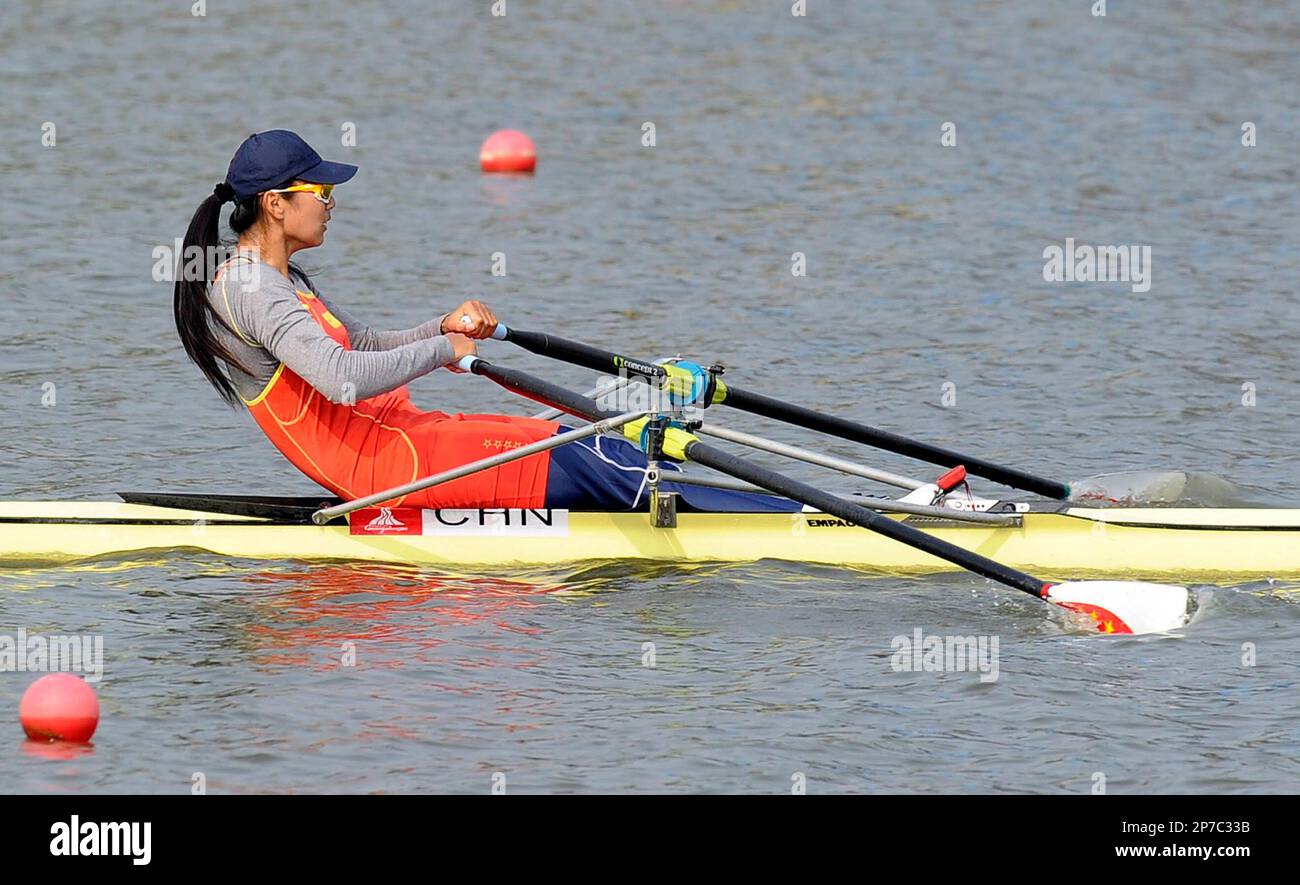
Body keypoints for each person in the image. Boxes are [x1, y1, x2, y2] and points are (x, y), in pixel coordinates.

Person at [173, 130, 795, 512]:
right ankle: (807, 518)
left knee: (590, 433)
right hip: (388, 467)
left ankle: (774, 504)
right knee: (595, 457)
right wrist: (444, 350)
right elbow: (341, 378)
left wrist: (441, 326)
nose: (334, 206)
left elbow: (359, 342)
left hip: (404, 437)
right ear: (276, 204)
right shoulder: (253, 289)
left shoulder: (276, 277)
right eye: (323, 193)